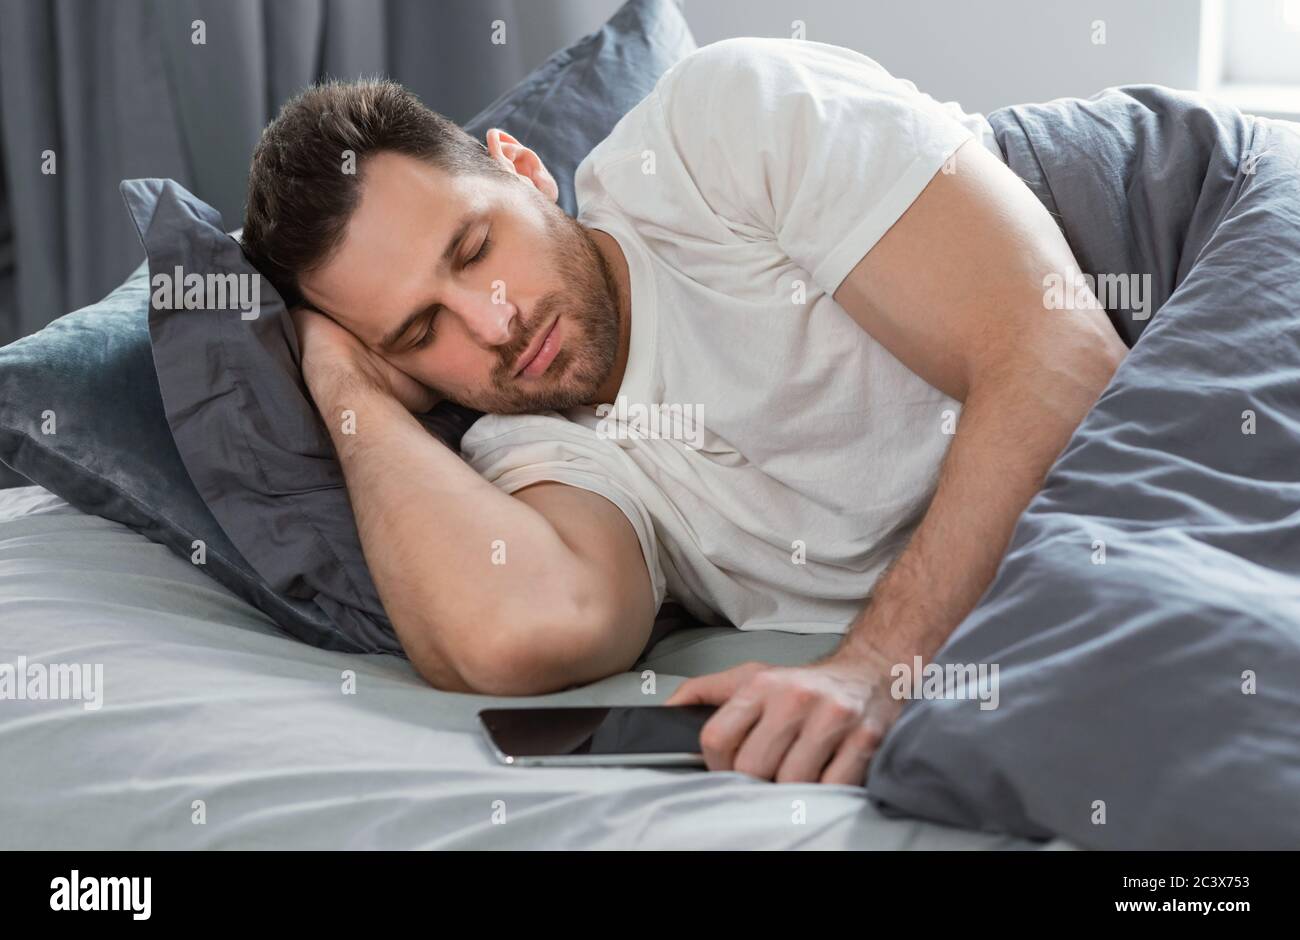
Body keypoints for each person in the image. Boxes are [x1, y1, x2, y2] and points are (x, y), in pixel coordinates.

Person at [240, 37, 1127, 785]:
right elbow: (518, 634)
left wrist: (872, 669)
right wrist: (345, 388)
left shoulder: (714, 133)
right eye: (423, 330)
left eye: (476, 249)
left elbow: (1062, 352)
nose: (495, 322)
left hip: (1177, 279)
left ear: (524, 171)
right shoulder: (531, 447)